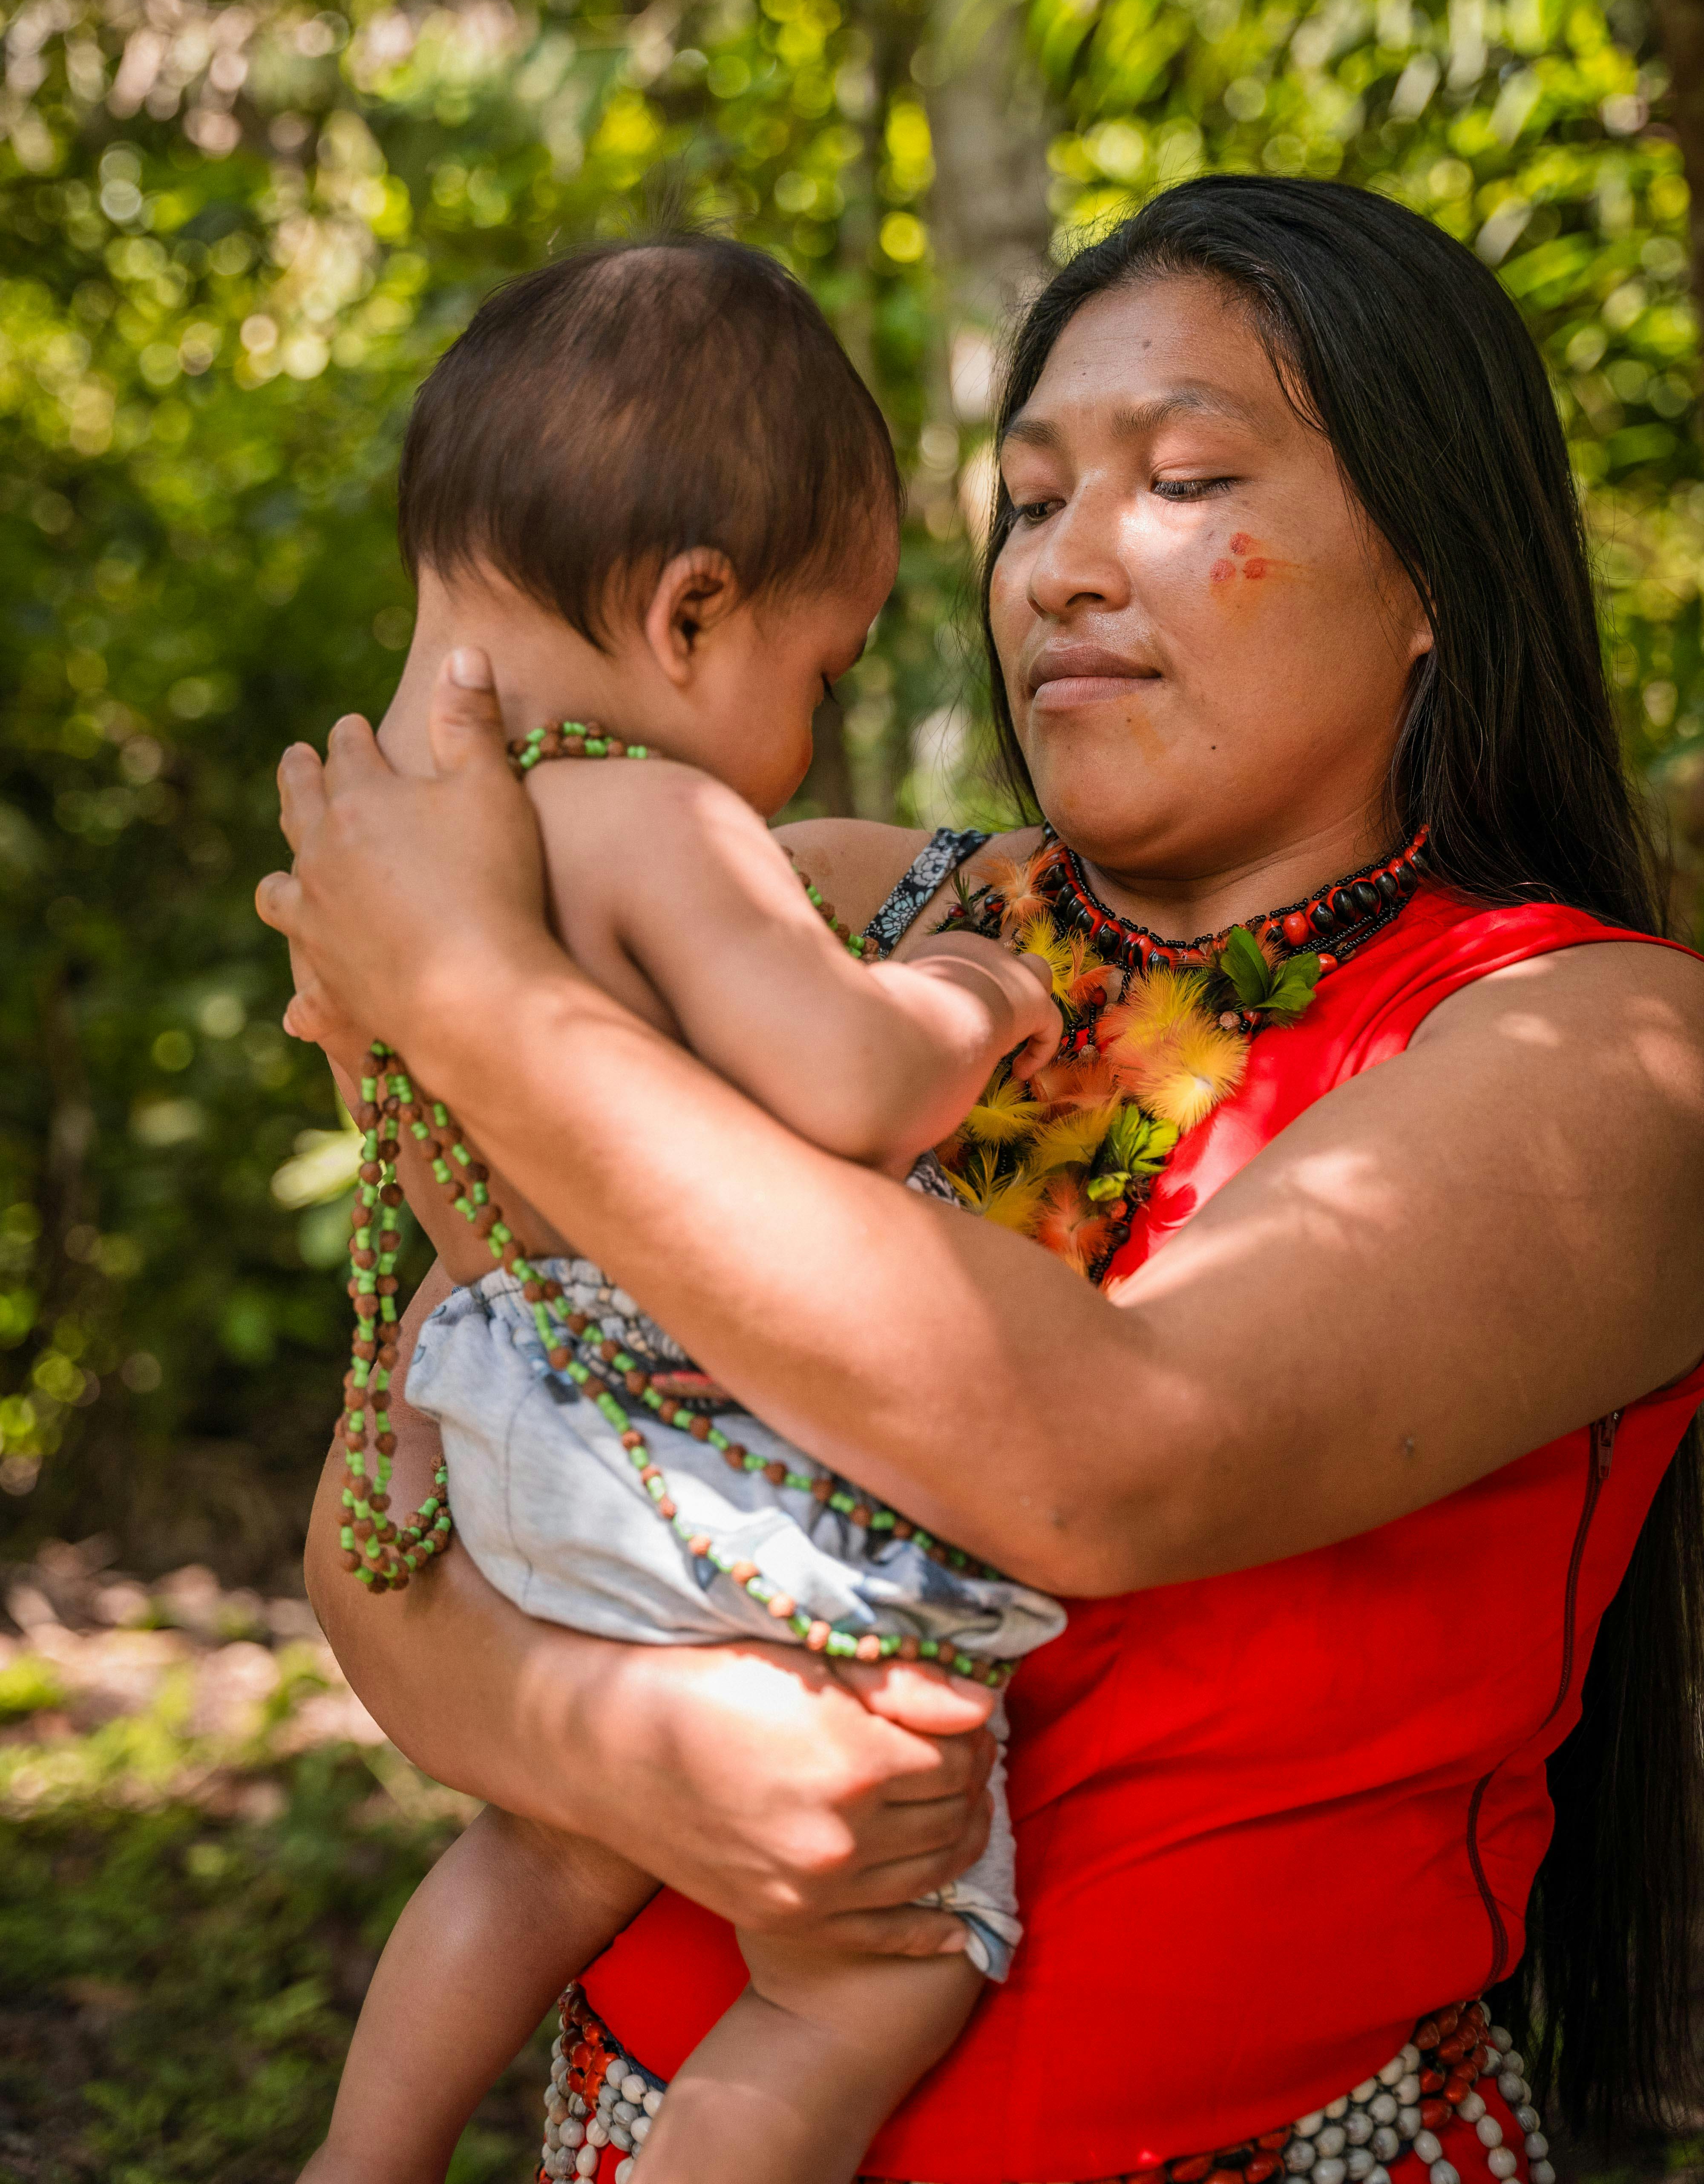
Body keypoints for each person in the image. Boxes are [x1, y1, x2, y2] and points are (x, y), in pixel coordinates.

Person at [261, 178, 1704, 2184]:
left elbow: (1105, 1457)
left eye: (1183, 481)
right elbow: (411, 1485)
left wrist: (475, 1000)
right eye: (1029, 503)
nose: (1063, 569)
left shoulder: (1605, 1057)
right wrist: (651, 1760)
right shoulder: (811, 909)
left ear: (1434, 569)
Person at [293, 237, 1070, 2184]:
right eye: (822, 670)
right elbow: (851, 1080)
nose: (812, 728)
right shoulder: (654, 818)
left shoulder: (393, 867)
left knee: (545, 1849)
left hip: (502, 1435)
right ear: (690, 611)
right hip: (690, 1447)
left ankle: (358, 2161)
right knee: (869, 1969)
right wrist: (962, 994)